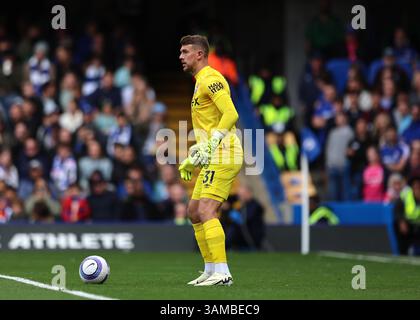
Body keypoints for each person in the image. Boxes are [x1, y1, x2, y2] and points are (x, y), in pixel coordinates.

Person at [178, 35, 243, 286]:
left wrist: (213, 143)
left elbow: (231, 113)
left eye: (185, 52)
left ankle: (223, 272)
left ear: (199, 55)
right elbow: (208, 126)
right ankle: (210, 269)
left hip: (225, 152)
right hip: (214, 153)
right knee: (194, 211)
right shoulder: (198, 83)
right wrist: (193, 157)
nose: (180, 56)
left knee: (207, 210)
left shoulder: (212, 78)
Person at [394, 176, 420, 255]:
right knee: (398, 225)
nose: (417, 190)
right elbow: (398, 208)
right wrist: (401, 221)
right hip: (408, 224)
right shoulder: (406, 195)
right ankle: (403, 253)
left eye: (418, 187)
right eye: (415, 187)